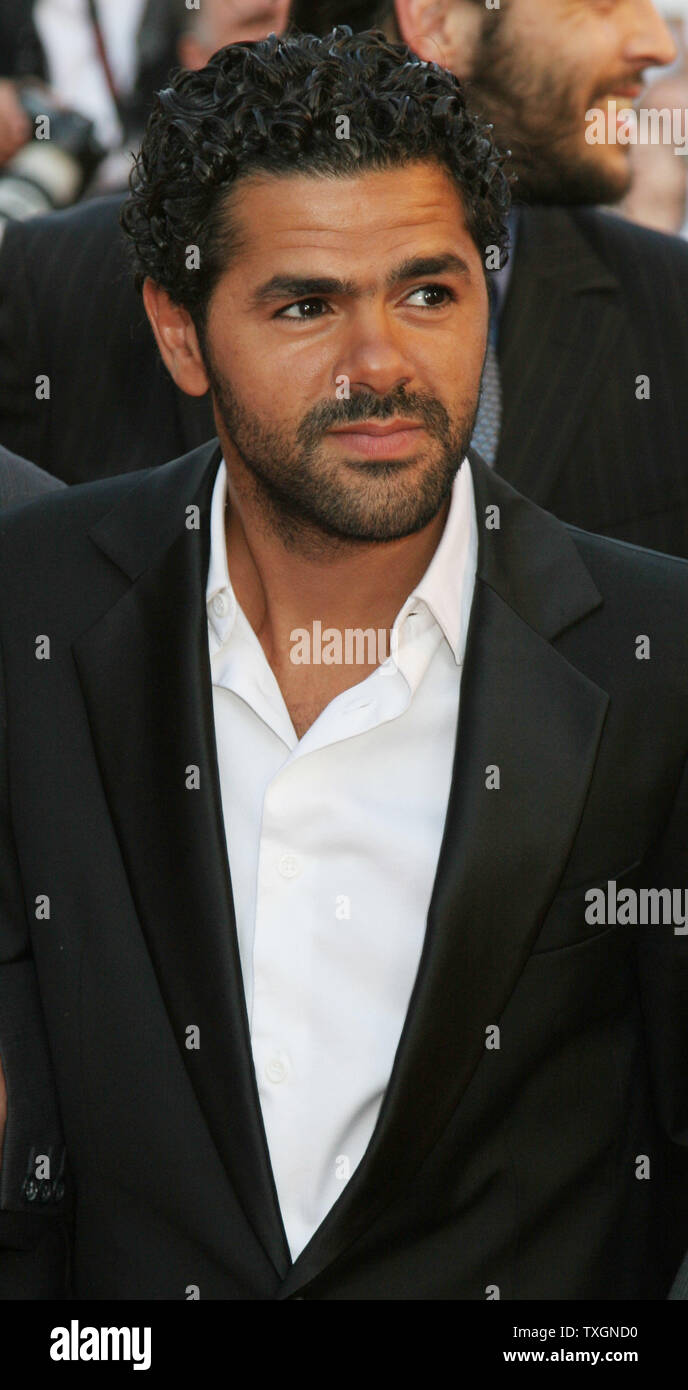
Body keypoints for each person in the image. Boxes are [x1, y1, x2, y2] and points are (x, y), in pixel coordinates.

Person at [0, 28, 686, 1301]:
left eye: (428, 292)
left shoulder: (656, 662)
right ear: (181, 333)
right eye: (306, 305)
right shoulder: (32, 609)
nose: (381, 367)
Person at [289, 0, 688, 559]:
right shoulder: (137, 283)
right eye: (602, 5)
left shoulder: (670, 305)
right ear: (439, 22)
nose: (658, 45)